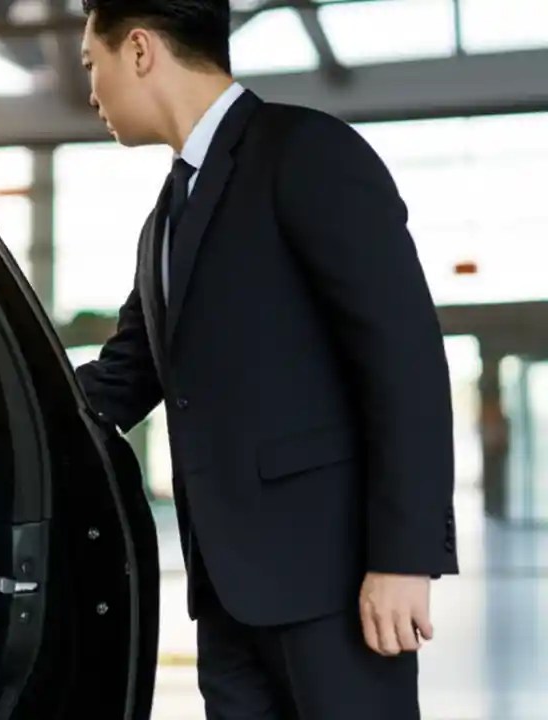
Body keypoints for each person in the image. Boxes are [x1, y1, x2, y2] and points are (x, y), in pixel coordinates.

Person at [74, 1, 458, 717]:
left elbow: (403, 360)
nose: (91, 92)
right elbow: (125, 375)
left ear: (139, 50)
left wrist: (404, 558)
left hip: (335, 584)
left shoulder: (307, 151)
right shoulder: (166, 217)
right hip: (225, 593)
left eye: (91, 66)